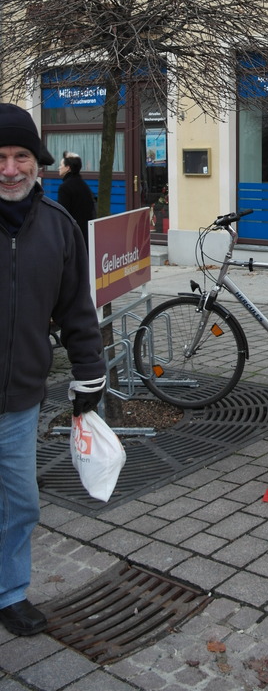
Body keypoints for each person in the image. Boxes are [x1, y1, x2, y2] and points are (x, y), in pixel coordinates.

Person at [0, 104, 105, 637]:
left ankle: (9, 592)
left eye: (21, 155)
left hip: (18, 401)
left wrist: (90, 375)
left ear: (38, 163)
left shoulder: (59, 226)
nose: (10, 168)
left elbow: (76, 310)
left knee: (20, 503)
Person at [57, 152, 96, 246]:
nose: (59, 167)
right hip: (85, 235)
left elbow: (63, 216)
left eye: (61, 165)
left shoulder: (65, 188)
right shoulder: (84, 185)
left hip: (72, 238)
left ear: (68, 168)